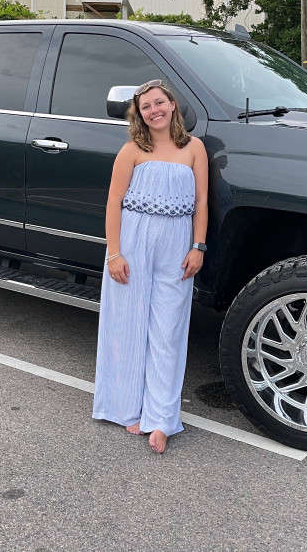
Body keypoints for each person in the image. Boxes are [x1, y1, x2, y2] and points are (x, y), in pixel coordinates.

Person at [92, 79, 209, 454]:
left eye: (159, 103)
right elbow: (113, 203)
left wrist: (198, 246)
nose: (154, 110)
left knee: (167, 331)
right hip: (133, 241)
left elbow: (202, 203)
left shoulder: (195, 148)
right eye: (146, 107)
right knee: (127, 325)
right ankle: (126, 407)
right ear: (139, 114)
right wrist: (115, 253)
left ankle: (161, 418)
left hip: (177, 245)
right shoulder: (131, 150)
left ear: (172, 105)